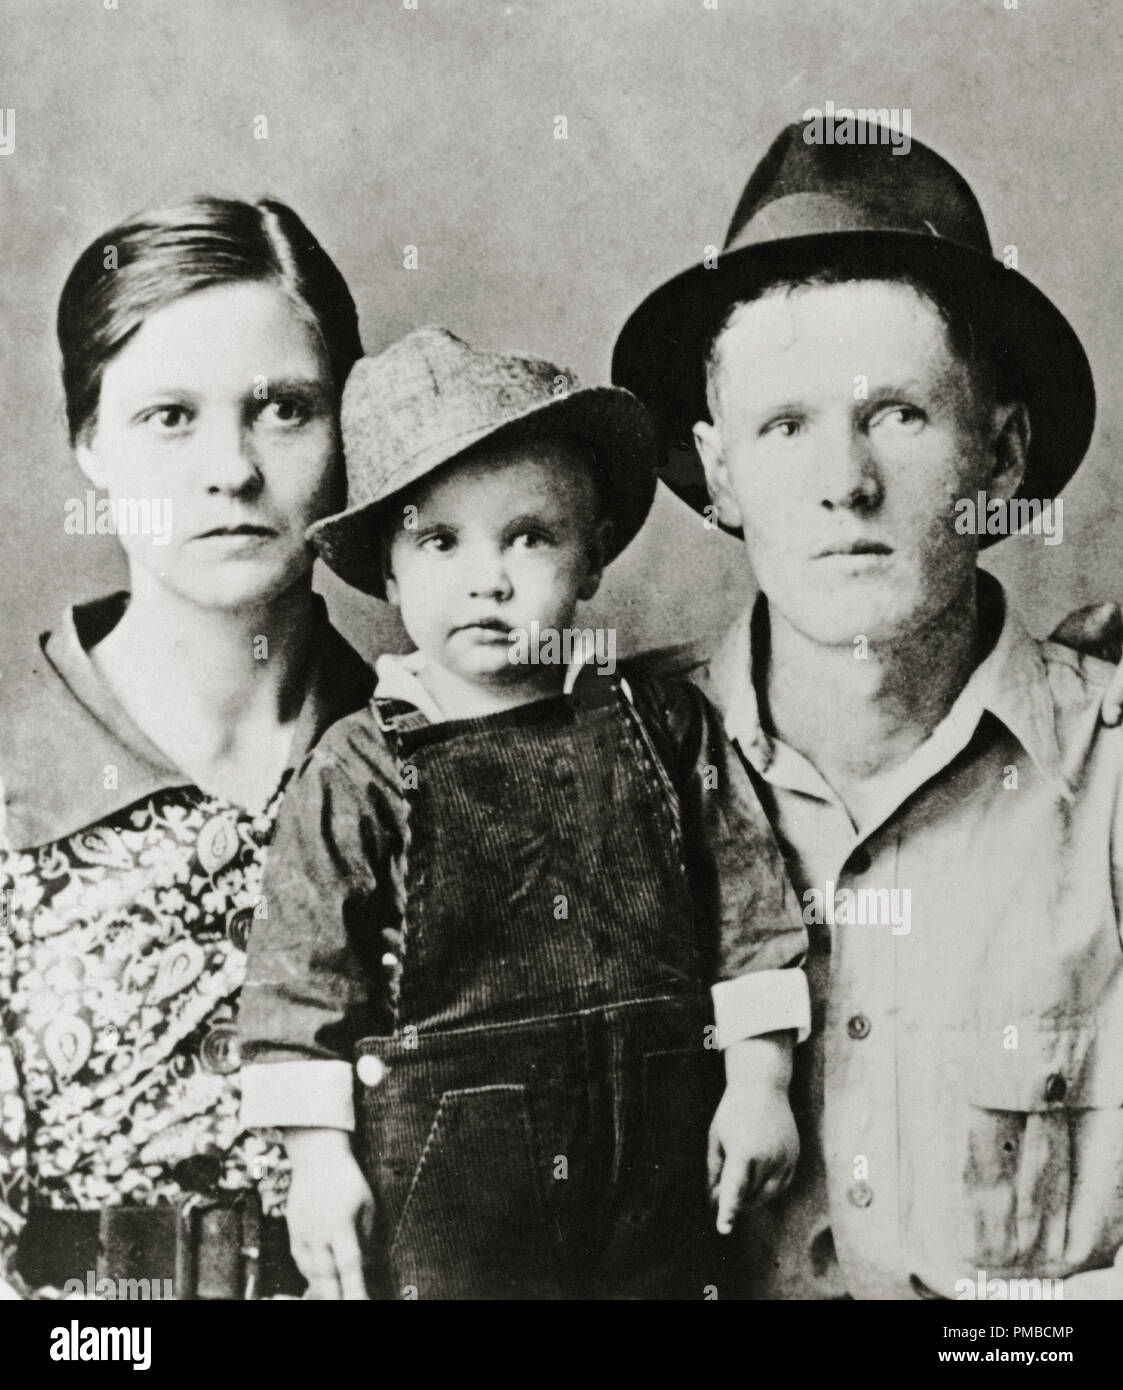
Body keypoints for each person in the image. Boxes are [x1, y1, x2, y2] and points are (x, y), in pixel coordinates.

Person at [612, 120, 1123, 1299]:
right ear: (720, 470)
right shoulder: (605, 771)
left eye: (896, 413)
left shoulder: (1104, 783)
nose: (844, 480)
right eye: (785, 425)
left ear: (1000, 459)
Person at [239, 326, 808, 1300]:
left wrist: (759, 1082)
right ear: (387, 571)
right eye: (441, 541)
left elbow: (752, 916)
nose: (488, 577)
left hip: (658, 1166)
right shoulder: (360, 768)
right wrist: (318, 1160)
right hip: (454, 1193)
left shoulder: (662, 726)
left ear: (589, 559)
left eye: (530, 536)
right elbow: (301, 985)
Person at [0, 196, 373, 1300]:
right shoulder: (14, 788)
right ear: (90, 444)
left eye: (283, 410)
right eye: (171, 416)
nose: (234, 469)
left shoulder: (438, 766)